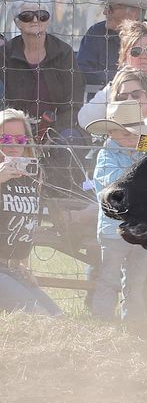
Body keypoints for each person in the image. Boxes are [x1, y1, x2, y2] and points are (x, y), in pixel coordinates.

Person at [86, 68, 147, 322]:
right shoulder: (107, 156)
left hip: (139, 230)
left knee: (136, 281)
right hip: (113, 231)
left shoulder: (141, 152)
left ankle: (134, 320)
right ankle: (103, 319)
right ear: (111, 133)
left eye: (133, 132)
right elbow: (114, 189)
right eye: (123, 132)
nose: (129, 137)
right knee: (109, 278)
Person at [0, 108, 62, 316]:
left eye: (21, 139)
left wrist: (24, 266)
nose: (13, 145)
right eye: (5, 138)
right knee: (39, 316)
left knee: (58, 318)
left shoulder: (31, 175)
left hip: (14, 268)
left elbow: (25, 224)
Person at [79, 20, 147, 130]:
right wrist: (115, 84)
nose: (144, 56)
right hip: (118, 144)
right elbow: (85, 120)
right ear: (124, 57)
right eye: (136, 51)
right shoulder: (116, 85)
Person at [1, 0, 85, 135]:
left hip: (57, 129)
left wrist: (55, 131)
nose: (35, 20)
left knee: (70, 137)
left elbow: (74, 101)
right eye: (26, 16)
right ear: (17, 22)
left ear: (49, 20)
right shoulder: (4, 54)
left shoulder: (64, 53)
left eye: (42, 15)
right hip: (12, 129)